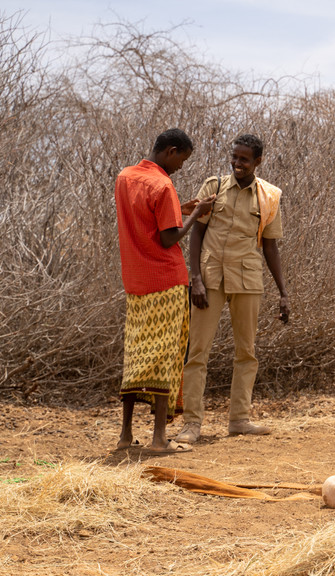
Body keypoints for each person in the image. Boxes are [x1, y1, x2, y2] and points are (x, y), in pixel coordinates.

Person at [174, 133, 290, 444]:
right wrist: (194, 278)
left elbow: (270, 246)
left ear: (258, 162)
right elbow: (197, 232)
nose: (237, 163)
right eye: (234, 157)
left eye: (244, 159)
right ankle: (191, 425)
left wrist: (283, 292)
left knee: (247, 352)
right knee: (197, 352)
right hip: (209, 279)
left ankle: (240, 419)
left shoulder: (268, 197)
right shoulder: (213, 186)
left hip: (248, 279)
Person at [114, 128, 215, 453]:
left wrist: (179, 208)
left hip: (136, 282)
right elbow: (168, 239)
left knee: (136, 356)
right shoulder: (162, 184)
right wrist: (197, 214)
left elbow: (145, 219)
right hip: (166, 282)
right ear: (171, 151)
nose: (181, 167)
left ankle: (126, 436)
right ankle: (159, 439)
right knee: (165, 358)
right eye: (182, 159)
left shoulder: (125, 177)